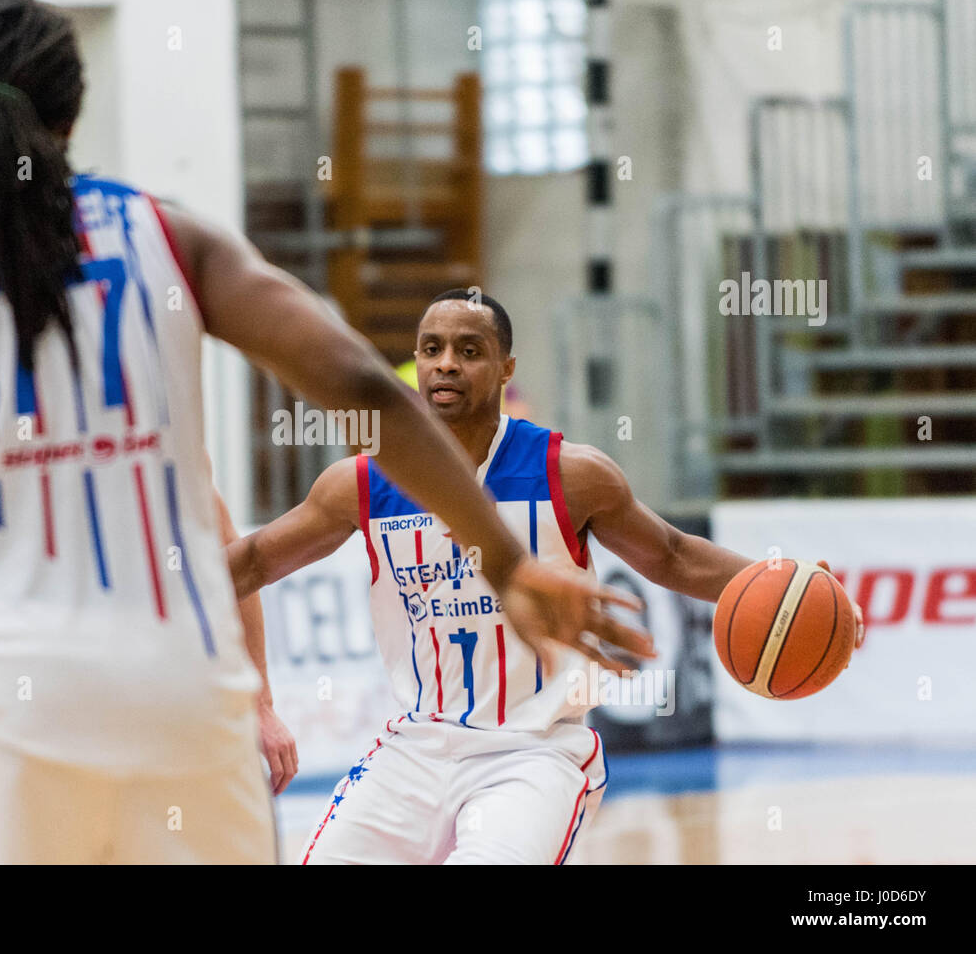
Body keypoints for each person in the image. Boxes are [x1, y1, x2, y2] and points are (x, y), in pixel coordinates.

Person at [0, 0, 649, 866]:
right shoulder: (170, 238)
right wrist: (505, 556)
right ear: (73, 116)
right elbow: (360, 383)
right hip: (179, 696)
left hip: (4, 714)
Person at [226, 288, 867, 865]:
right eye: (431, 349)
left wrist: (790, 585)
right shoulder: (361, 484)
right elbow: (252, 562)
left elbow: (672, 554)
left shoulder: (571, 473)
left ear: (506, 369)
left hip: (533, 752)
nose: (445, 363)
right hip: (415, 743)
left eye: (468, 350)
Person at [0, 483, 300, 864]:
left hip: (146, 712)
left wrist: (259, 703)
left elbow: (236, 562)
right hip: (27, 719)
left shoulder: (141, 436)